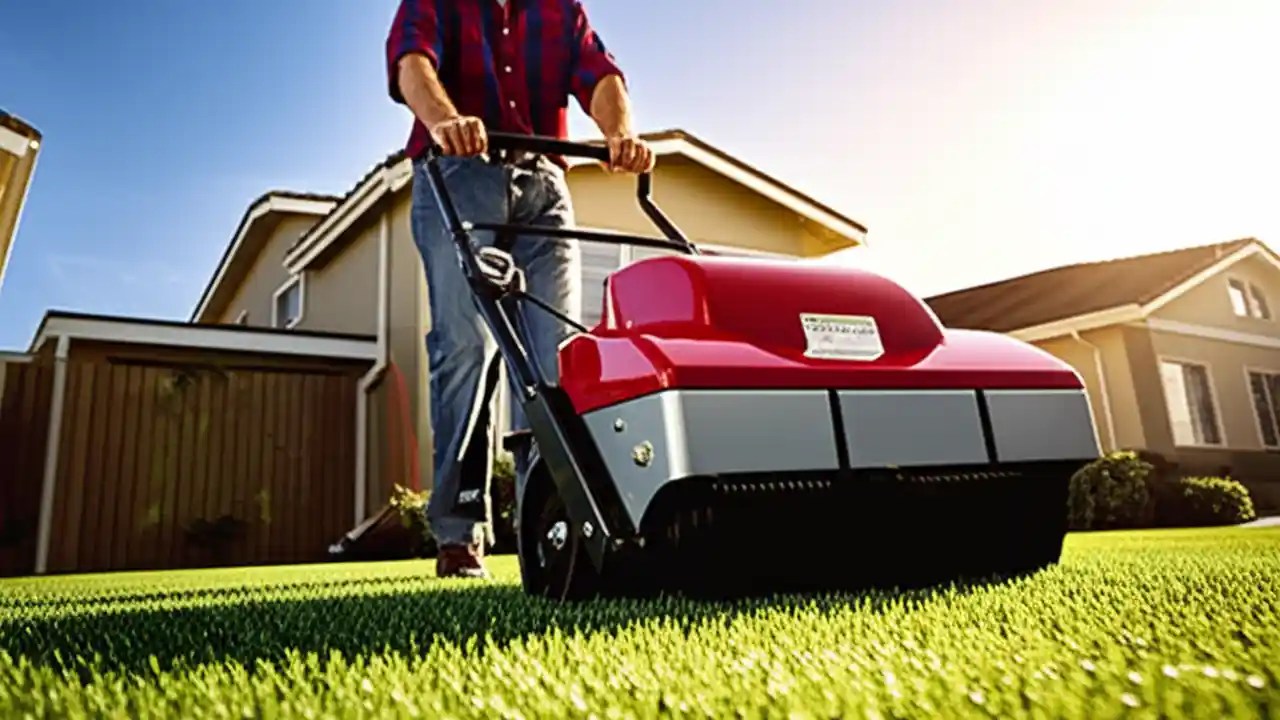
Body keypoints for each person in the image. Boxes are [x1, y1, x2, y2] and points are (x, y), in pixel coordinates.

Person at [385, 0, 655, 578]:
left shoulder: (561, 9)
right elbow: (413, 63)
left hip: (544, 183)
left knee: (556, 359)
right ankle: (460, 533)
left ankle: (556, 522)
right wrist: (444, 121)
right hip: (461, 173)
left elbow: (600, 73)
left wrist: (620, 132)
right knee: (467, 347)